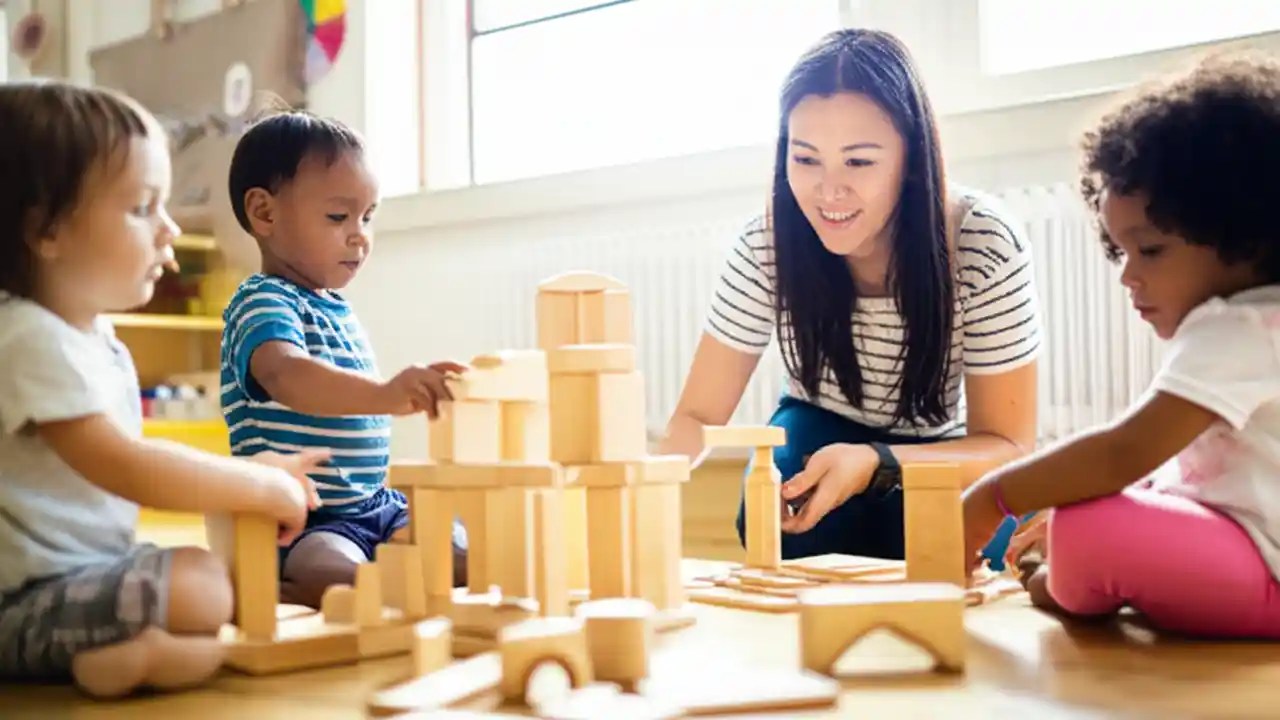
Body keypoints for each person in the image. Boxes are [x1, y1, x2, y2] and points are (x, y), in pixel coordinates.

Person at [660, 28, 1042, 564]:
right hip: (816, 422)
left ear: (910, 161)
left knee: (972, 544)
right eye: (806, 159)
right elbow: (698, 416)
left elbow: (1009, 444)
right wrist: (639, 483)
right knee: (778, 515)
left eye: (859, 162)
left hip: (941, 446)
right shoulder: (766, 242)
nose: (829, 191)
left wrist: (875, 461)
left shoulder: (984, 242)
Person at [0, 81, 323, 698]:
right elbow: (130, 469)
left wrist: (250, 474)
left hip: (78, 573)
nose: (169, 229)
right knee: (202, 591)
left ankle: (131, 655)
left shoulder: (91, 339)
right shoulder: (25, 339)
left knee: (205, 586)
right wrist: (255, 481)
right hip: (21, 598)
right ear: (47, 229)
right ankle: (112, 656)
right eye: (143, 207)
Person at [962, 52, 1280, 638]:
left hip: (1267, 578)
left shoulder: (1235, 330)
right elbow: (1182, 470)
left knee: (1090, 526)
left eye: (1151, 251)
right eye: (1120, 252)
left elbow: (1121, 452)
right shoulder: (1257, 326)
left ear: (1247, 235)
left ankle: (1068, 585)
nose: (1127, 276)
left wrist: (991, 499)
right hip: (1251, 554)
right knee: (1089, 507)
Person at [221, 111, 468, 610]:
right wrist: (383, 395)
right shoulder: (263, 300)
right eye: (339, 218)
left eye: (368, 216)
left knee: (464, 550)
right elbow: (285, 374)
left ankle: (398, 578)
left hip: (376, 505)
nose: (360, 235)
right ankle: (277, 586)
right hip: (305, 521)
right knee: (338, 575)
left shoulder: (334, 306)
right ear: (264, 214)